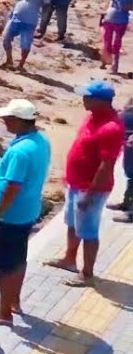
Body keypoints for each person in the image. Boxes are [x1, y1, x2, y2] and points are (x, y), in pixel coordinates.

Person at [0, 99, 50, 325]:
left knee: (5, 263)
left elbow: (13, 187)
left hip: (12, 214)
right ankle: (13, 299)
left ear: (20, 120)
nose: (5, 122)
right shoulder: (40, 141)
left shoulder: (20, 151)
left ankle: (4, 313)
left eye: (8, 118)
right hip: (28, 210)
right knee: (19, 258)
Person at [45, 81, 122, 288]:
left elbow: (106, 165)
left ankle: (87, 274)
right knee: (72, 223)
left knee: (88, 230)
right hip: (76, 184)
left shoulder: (111, 128)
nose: (84, 100)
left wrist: (90, 193)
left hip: (91, 189)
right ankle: (69, 259)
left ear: (102, 101)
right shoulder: (92, 117)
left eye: (88, 97)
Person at [1, 0, 48, 71]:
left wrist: (43, 24)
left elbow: (47, 6)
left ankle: (21, 64)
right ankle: (9, 60)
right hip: (16, 17)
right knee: (6, 38)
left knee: (25, 44)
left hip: (29, 21)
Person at [99, 0, 133, 73]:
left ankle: (114, 66)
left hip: (120, 21)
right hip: (111, 19)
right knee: (106, 41)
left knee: (115, 44)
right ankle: (105, 61)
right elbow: (111, 4)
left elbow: (126, 7)